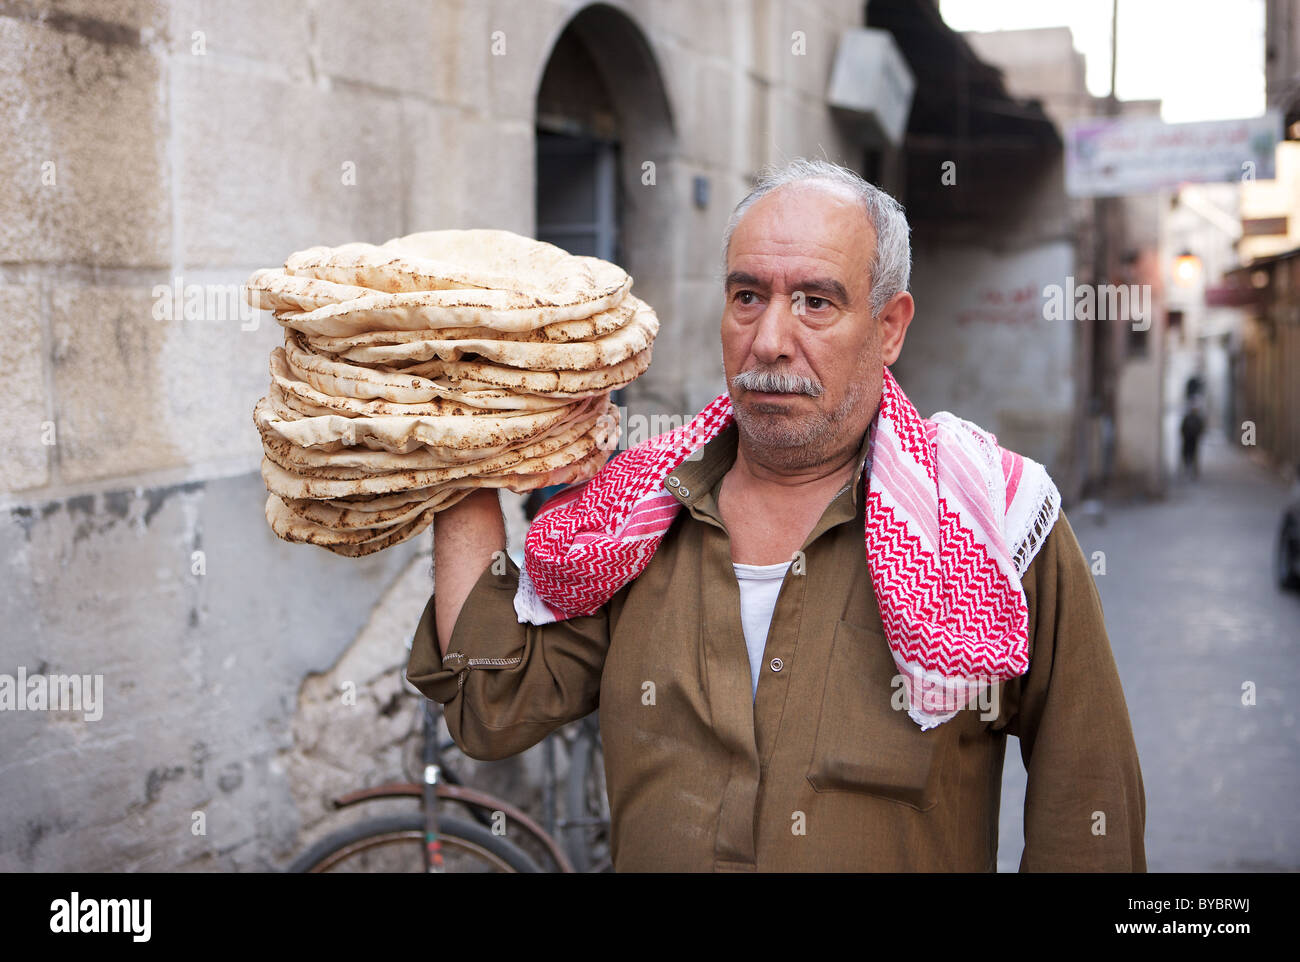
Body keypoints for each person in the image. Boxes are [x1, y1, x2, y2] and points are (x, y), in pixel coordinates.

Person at [406, 158, 1146, 872]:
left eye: (816, 302)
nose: (768, 340)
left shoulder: (995, 521)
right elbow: (488, 703)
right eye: (747, 296)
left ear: (889, 327)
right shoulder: (632, 516)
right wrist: (462, 435)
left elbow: (1089, 804)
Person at [1180, 402, 1206, 480]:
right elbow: (1182, 428)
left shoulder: (1197, 418)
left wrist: (1198, 435)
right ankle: (1187, 467)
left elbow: (1201, 428)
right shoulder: (1187, 418)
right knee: (1187, 453)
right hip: (1188, 439)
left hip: (1194, 439)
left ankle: (1193, 470)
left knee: (1193, 454)